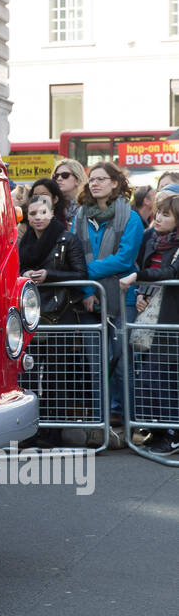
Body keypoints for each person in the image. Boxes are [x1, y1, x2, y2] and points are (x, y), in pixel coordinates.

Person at [74, 162, 145, 426]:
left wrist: (85, 271)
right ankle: (100, 422)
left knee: (121, 362)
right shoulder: (80, 216)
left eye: (101, 179)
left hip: (122, 299)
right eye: (92, 179)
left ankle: (128, 420)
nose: (95, 183)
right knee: (96, 365)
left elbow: (125, 259)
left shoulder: (131, 217)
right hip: (88, 298)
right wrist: (85, 288)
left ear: (115, 183)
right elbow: (74, 255)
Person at [19, 194, 87, 445]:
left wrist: (50, 275)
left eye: (43, 213)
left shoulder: (67, 239)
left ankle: (53, 432)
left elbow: (81, 274)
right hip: (32, 316)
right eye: (33, 213)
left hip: (60, 315)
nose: (38, 218)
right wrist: (24, 274)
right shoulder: (25, 241)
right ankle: (32, 430)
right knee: (29, 374)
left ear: (52, 213)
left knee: (57, 375)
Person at [120, 191, 179, 453]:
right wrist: (142, 293)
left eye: (166, 214)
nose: (158, 218)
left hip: (170, 320)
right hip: (152, 319)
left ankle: (173, 432)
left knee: (161, 377)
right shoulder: (153, 239)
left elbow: (169, 273)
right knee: (148, 378)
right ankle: (156, 429)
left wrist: (138, 277)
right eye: (158, 213)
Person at [52, 158, 87, 230]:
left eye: (65, 175)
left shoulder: (88, 205)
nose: (59, 179)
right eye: (56, 176)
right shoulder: (51, 205)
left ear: (77, 180)